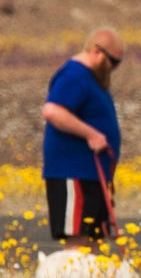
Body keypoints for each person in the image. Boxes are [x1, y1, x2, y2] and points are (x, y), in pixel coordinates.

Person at [41, 27, 125, 251]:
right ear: (98, 53)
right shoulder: (74, 75)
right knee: (78, 240)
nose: (115, 68)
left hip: (92, 175)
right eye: (114, 62)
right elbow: (52, 111)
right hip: (73, 173)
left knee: (93, 242)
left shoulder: (91, 78)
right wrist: (91, 134)